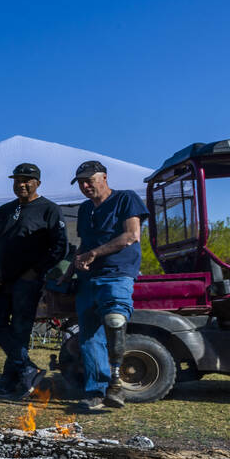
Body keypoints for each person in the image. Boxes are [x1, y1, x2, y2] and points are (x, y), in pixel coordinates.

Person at [0, 163, 68, 396]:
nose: (21, 184)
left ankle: (8, 381)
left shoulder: (49, 209)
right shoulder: (4, 210)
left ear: (37, 183)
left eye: (26, 180)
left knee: (20, 331)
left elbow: (60, 246)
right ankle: (28, 369)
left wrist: (36, 271)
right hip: (0, 281)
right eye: (17, 180)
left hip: (28, 282)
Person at [70, 161, 147, 411]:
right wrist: (70, 269)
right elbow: (83, 245)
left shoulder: (126, 198)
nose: (84, 186)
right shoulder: (85, 209)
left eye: (89, 180)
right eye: (80, 182)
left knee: (114, 320)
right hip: (88, 279)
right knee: (89, 337)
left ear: (104, 177)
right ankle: (97, 391)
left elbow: (131, 235)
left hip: (117, 273)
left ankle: (116, 384)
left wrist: (94, 253)